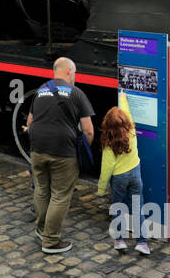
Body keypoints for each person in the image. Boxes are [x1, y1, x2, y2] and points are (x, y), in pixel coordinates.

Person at [25, 57, 94, 254]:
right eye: (75, 73)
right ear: (69, 72)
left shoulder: (40, 91)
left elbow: (30, 122)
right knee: (60, 195)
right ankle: (51, 241)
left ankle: (41, 230)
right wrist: (82, 150)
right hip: (63, 151)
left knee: (41, 190)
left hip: (37, 148)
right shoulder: (77, 93)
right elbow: (88, 130)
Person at [97, 93, 149, 255]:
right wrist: (123, 98)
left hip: (119, 178)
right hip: (135, 174)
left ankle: (119, 240)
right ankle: (142, 243)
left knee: (117, 207)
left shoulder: (108, 143)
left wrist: (101, 188)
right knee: (138, 207)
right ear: (125, 121)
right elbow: (127, 113)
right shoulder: (132, 132)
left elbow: (107, 167)